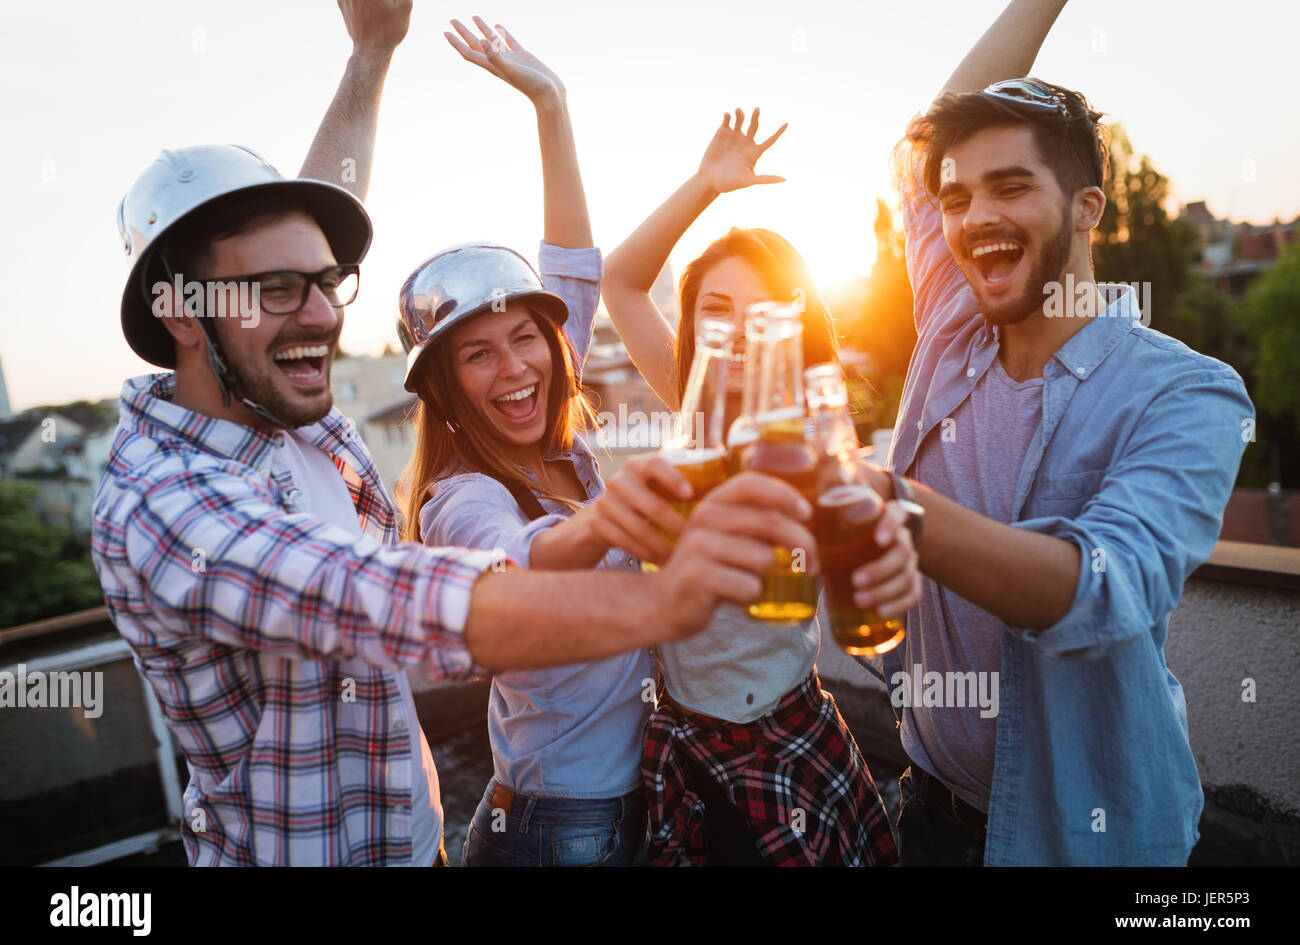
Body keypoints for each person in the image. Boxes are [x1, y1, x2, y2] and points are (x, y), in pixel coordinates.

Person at [90, 1, 818, 867]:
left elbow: (567, 283)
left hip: (418, 840)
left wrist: (374, 55)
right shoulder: (162, 498)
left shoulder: (287, 412)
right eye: (283, 290)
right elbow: (364, 593)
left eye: (328, 283)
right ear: (181, 311)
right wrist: (673, 590)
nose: (321, 313)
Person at [853, 0, 1254, 865]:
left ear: (1086, 208)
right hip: (925, 814)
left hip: (1083, 844)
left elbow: (1106, 587)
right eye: (956, 197)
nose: (973, 218)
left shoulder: (1186, 393)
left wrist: (895, 508)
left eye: (1011, 187)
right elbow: (928, 137)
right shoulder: (956, 319)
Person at [601, 110, 915, 865]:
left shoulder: (811, 449)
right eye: (717, 313)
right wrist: (706, 187)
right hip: (683, 735)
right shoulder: (691, 408)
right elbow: (619, 279)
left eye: (761, 316)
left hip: (789, 730)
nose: (738, 333)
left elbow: (852, 575)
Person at [398, 18, 671, 866]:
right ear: (442, 387)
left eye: (526, 339)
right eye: (477, 353)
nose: (513, 369)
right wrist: (628, 514)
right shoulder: (460, 501)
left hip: (628, 796)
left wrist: (550, 101)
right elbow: (515, 562)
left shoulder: (553, 428)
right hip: (564, 823)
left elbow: (573, 269)